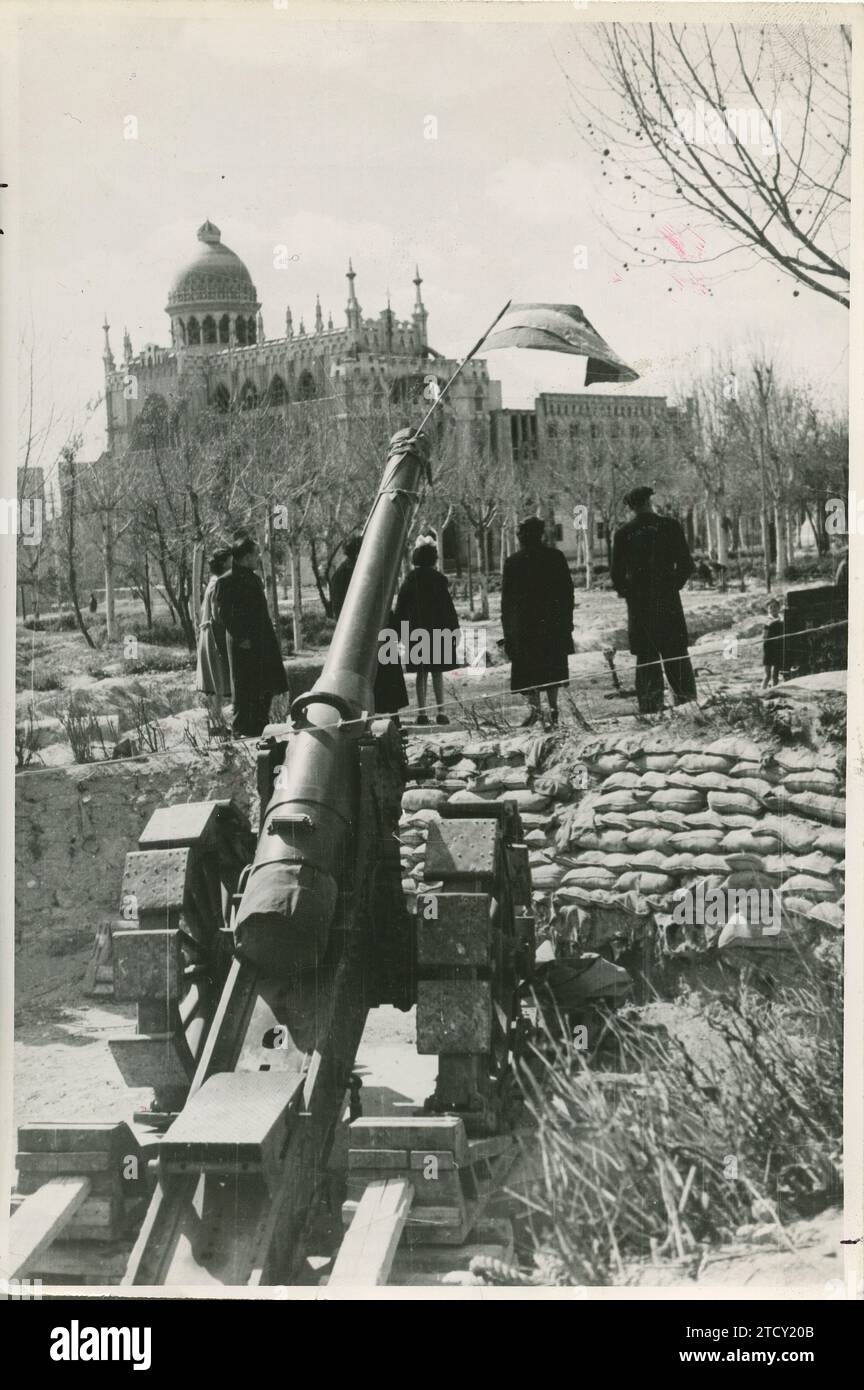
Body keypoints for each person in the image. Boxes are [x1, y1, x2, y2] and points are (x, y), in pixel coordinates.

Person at [611, 485, 697, 714]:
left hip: (640, 609)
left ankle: (651, 709)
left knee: (646, 659)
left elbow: (617, 578)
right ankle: (688, 707)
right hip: (668, 603)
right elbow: (687, 565)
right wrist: (671, 586)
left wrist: (632, 594)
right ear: (650, 502)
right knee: (677, 655)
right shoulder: (669, 526)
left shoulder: (623, 534)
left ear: (630, 508)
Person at [501, 515, 575, 728]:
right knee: (552, 666)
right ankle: (552, 709)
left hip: (525, 627)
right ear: (540, 535)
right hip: (552, 624)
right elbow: (567, 593)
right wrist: (567, 622)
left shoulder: (513, 562)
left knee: (529, 669)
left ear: (522, 537)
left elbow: (507, 603)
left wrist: (508, 632)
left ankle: (536, 711)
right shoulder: (556, 557)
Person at [212, 533, 288, 737]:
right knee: (246, 688)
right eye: (255, 555)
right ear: (245, 557)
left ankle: (260, 727)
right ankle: (243, 729)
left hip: (262, 641)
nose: (258, 559)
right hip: (244, 645)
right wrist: (242, 637)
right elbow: (224, 614)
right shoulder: (226, 582)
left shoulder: (253, 579)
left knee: (265, 686)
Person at [330, 534, 408, 716]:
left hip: (361, 633)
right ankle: (391, 715)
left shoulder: (341, 574)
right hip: (374, 630)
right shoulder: (361, 572)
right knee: (384, 676)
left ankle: (382, 715)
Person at [394, 536, 460, 725]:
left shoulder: (409, 580)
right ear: (433, 558)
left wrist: (398, 632)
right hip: (438, 631)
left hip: (415, 632)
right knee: (437, 672)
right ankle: (441, 711)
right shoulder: (439, 580)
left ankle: (422, 714)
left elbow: (401, 609)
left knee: (420, 673)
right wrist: (454, 629)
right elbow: (448, 608)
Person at [195, 547, 232, 730]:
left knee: (214, 680)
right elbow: (218, 615)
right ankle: (217, 724)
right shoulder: (218, 583)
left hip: (207, 633)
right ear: (225, 562)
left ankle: (216, 722)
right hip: (214, 634)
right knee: (217, 678)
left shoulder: (212, 582)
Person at [762, 596, 784, 689]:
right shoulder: (767, 621)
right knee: (767, 675)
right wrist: (772, 623)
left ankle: (775, 689)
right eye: (771, 607)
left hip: (778, 647)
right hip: (769, 648)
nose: (773, 609)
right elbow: (764, 636)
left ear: (779, 608)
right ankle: (762, 690)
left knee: (776, 674)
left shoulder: (782, 620)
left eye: (775, 607)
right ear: (768, 610)